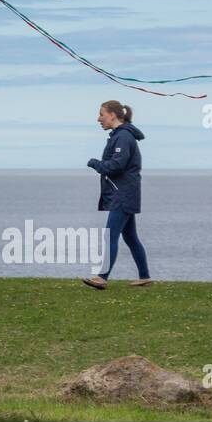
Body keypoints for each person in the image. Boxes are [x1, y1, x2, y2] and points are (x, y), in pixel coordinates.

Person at [81, 100, 153, 289]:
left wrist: (95, 163)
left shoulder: (123, 137)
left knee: (110, 236)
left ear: (112, 115)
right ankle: (145, 276)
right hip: (124, 193)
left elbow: (117, 165)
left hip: (124, 195)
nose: (98, 119)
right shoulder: (121, 136)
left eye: (101, 114)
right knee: (130, 237)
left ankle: (101, 277)